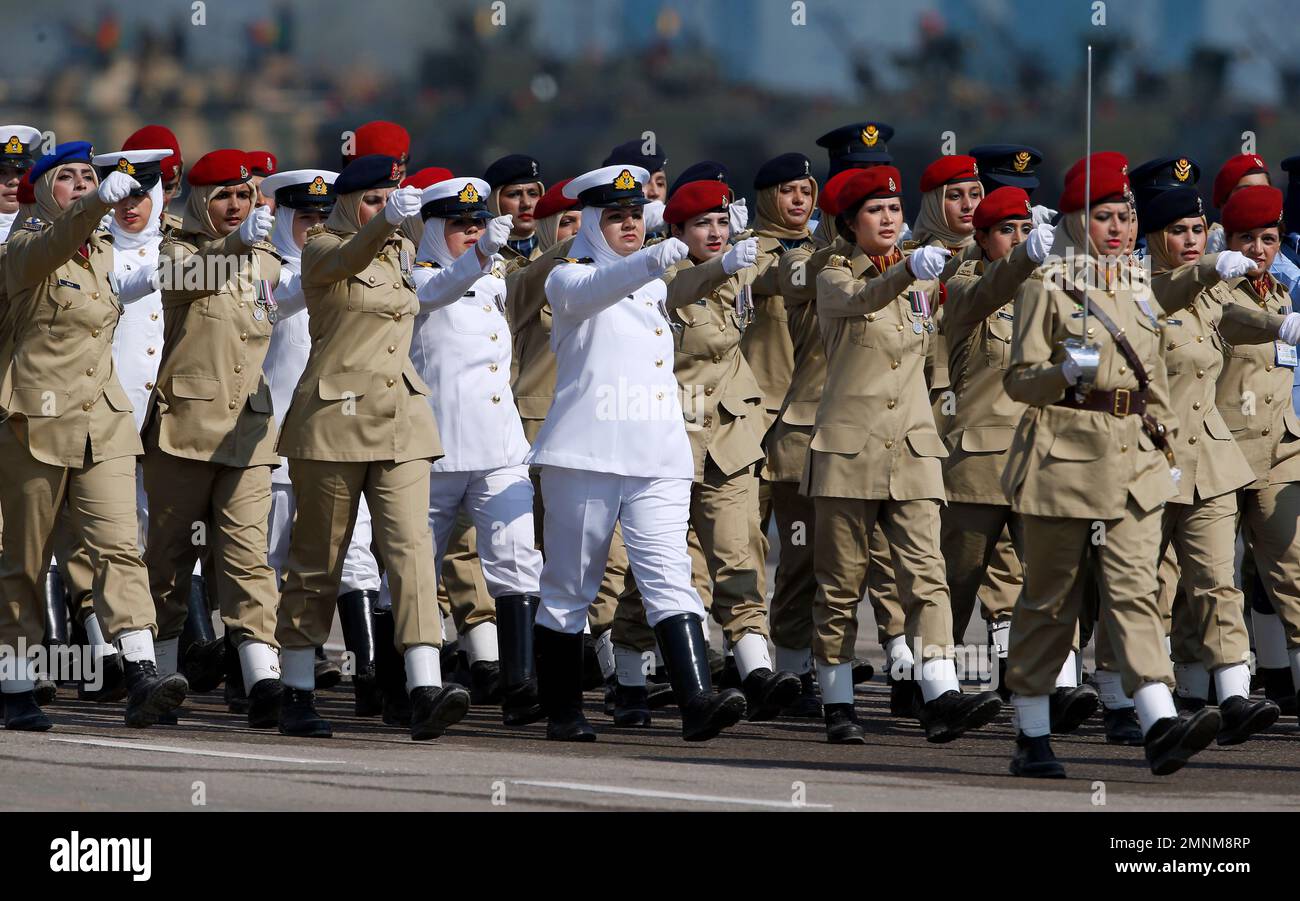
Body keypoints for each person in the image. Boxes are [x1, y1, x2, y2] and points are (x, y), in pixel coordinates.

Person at [1003, 156, 1220, 778]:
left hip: (1133, 461)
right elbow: (1019, 382)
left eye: (1125, 216)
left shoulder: (1140, 287)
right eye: (1103, 217)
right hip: (1063, 461)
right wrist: (1059, 374)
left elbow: (1154, 381)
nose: (1119, 228)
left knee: (1136, 594)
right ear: (1076, 221)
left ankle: (1158, 722)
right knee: (1050, 601)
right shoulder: (1046, 286)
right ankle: (1033, 733)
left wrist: (1169, 444)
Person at [526, 163, 746, 742]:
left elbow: (673, 287)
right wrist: (655, 255)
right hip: (587, 455)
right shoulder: (569, 277)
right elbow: (605, 287)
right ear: (593, 222)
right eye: (615, 216)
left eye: (634, 215)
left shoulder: (651, 279)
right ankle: (564, 710)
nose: (628, 224)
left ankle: (697, 701)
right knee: (571, 587)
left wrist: (721, 264)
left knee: (670, 577)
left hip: (655, 452)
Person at [275, 154, 470, 741]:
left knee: (412, 551)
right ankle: (298, 688)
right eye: (372, 200)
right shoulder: (323, 247)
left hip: (401, 417)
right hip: (335, 418)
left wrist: (482, 253)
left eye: (391, 198)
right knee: (319, 557)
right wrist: (385, 223)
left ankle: (424, 685)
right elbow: (347, 257)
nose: (383, 209)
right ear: (347, 203)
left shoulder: (402, 252)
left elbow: (432, 293)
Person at [807, 164, 1002, 744]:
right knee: (840, 584)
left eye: (894, 209)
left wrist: (1022, 259)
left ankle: (941, 691)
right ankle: (837, 701)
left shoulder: (924, 274)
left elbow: (977, 298)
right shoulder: (833, 275)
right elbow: (866, 296)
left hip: (915, 450)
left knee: (927, 577)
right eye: (875, 211)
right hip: (849, 451)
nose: (889, 218)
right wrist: (910, 271)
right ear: (850, 222)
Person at [0, 141, 187, 729]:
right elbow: (58, 241)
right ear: (41, 192)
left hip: (102, 419)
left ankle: (139, 671)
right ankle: (15, 681)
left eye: (90, 177)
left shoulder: (101, 251)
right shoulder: (26, 247)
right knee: (25, 560)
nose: (85, 187)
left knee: (118, 545)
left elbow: (144, 279)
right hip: (36, 418)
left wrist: (231, 249)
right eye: (70, 179)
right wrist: (92, 207)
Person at [607, 178, 801, 726]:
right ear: (676, 231)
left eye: (721, 222)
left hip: (731, 436)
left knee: (742, 556)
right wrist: (724, 265)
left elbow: (798, 275)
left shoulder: (742, 265)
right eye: (701, 225)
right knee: (658, 569)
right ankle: (629, 678)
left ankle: (755, 669)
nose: (715, 234)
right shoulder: (652, 272)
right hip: (669, 440)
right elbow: (680, 290)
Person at [143, 149, 285, 728]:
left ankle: (263, 681)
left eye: (244, 195)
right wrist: (237, 244)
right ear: (199, 200)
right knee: (170, 561)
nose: (235, 206)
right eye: (223, 195)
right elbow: (186, 281)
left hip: (248, 431)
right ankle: (160, 677)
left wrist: (255, 246)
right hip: (184, 429)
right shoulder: (175, 251)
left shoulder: (265, 260)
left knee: (248, 558)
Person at [1138, 184, 1284, 744]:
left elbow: (1238, 316)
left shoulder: (1210, 293)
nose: (1191, 241)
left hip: (1211, 461)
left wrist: (1279, 326)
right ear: (1154, 237)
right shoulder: (1140, 289)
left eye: (1198, 230)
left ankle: (1235, 696)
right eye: (1179, 231)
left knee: (1218, 583)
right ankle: (1130, 697)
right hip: (1151, 461)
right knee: (1145, 588)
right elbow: (1165, 297)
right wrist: (1208, 271)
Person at [409, 174, 546, 726]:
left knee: (516, 560)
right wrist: (481, 254)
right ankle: (403, 686)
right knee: (415, 564)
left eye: (476, 224)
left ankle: (520, 684)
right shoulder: (414, 277)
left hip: (498, 444)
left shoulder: (492, 281)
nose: (471, 233)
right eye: (459, 226)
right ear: (434, 230)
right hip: (436, 447)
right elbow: (436, 291)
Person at [938, 186, 1074, 718]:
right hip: (979, 461)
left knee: (1047, 576)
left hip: (1042, 455)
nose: (1018, 239)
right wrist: (1026, 257)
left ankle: (1054, 686)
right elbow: (985, 293)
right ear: (982, 238)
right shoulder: (964, 281)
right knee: (956, 578)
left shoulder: (1055, 288)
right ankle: (933, 682)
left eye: (1024, 229)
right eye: (1006, 231)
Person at [259, 166, 391, 715]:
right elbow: (273, 304)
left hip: (339, 437)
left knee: (354, 558)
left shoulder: (356, 266)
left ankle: (368, 678)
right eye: (303, 216)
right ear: (285, 217)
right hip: (271, 440)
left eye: (322, 215)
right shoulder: (261, 268)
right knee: (271, 559)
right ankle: (265, 678)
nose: (313, 226)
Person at [1213, 184, 1300, 723]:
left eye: (1269, 238)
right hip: (1220, 449)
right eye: (1248, 238)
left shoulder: (1281, 292)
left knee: (1293, 572)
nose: (1260, 249)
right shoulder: (1211, 286)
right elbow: (1236, 321)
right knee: (1213, 579)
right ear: (1228, 238)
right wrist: (1279, 325)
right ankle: (1223, 694)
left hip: (1279, 447)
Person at [483, 154, 544, 274]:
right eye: (514, 194)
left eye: (533, 194)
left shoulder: (557, 247)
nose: (526, 203)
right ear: (494, 202)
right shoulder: (481, 254)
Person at [122, 125, 184, 235]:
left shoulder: (184, 233)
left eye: (169, 188)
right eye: (153, 188)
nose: (163, 198)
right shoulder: (100, 233)